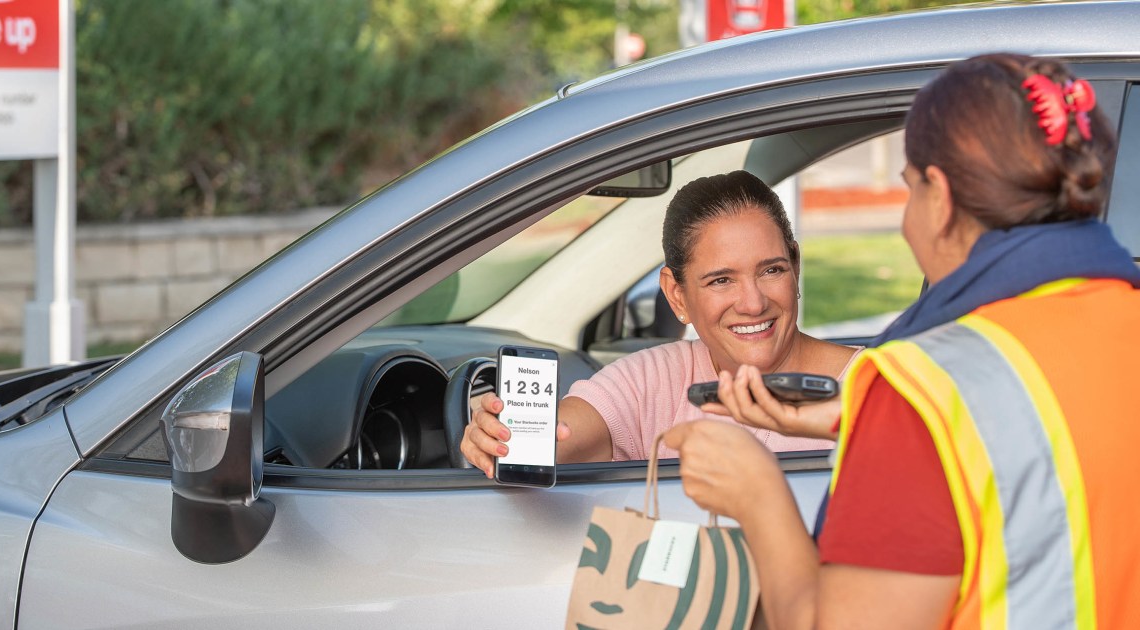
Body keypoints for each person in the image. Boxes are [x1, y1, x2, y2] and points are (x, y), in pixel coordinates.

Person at [666, 53, 1140, 628]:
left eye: (910, 190)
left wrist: (760, 495)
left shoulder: (923, 395)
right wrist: (866, 419)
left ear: (938, 197)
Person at [460, 170, 859, 475]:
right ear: (677, 295)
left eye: (771, 271)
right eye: (721, 280)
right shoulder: (655, 379)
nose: (753, 303)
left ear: (795, 266)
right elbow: (562, 437)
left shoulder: (881, 385)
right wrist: (501, 438)